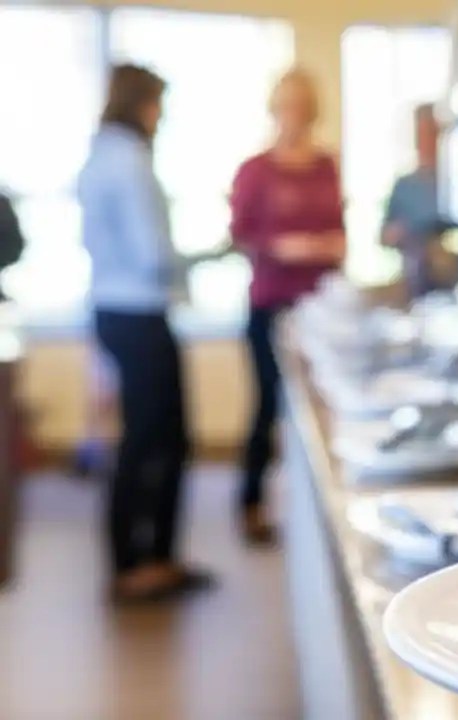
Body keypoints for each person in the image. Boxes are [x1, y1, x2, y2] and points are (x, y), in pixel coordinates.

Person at [78, 64, 212, 602]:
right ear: (142, 103)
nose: (162, 116)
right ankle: (144, 561)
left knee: (140, 441)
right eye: (158, 104)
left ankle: (140, 557)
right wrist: (204, 258)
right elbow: (153, 255)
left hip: (112, 310)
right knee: (158, 443)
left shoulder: (98, 156)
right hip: (140, 314)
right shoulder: (131, 162)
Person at [230, 69, 345, 546]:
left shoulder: (325, 167)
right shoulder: (256, 170)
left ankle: (319, 507)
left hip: (318, 304)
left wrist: (324, 247)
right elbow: (240, 234)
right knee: (266, 406)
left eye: (303, 104)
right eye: (288, 104)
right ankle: (251, 501)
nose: (295, 114)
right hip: (270, 301)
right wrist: (282, 247)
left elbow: (341, 233)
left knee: (321, 408)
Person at [382, 104, 451, 298]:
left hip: (455, 283)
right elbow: (384, 237)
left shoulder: (457, 185)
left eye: (432, 133)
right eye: (421, 134)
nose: (426, 140)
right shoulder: (404, 186)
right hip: (416, 286)